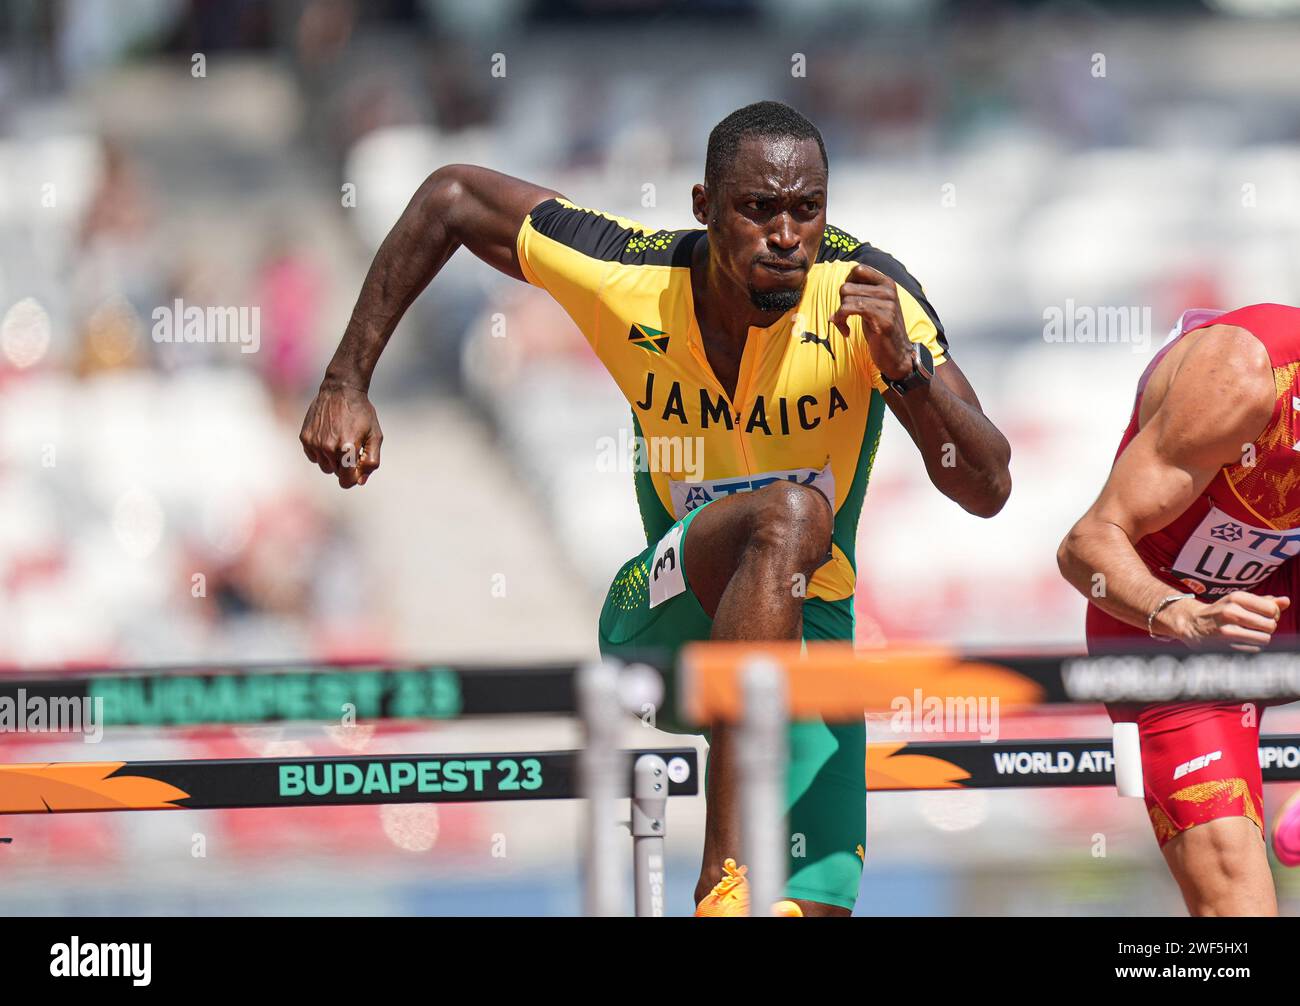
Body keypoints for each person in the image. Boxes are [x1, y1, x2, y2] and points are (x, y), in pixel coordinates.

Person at [300, 101, 1011, 916]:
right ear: (704, 207)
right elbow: (452, 195)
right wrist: (345, 381)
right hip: (661, 622)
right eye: (757, 209)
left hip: (815, 641)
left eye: (806, 211)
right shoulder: (630, 276)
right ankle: (723, 869)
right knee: (787, 514)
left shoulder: (870, 301)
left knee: (809, 907)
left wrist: (907, 372)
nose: (786, 235)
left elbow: (988, 488)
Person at [1059, 304, 1300, 916]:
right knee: (1236, 910)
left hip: (1279, 592)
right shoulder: (1244, 379)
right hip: (1165, 620)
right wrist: (1179, 614)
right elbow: (1085, 545)